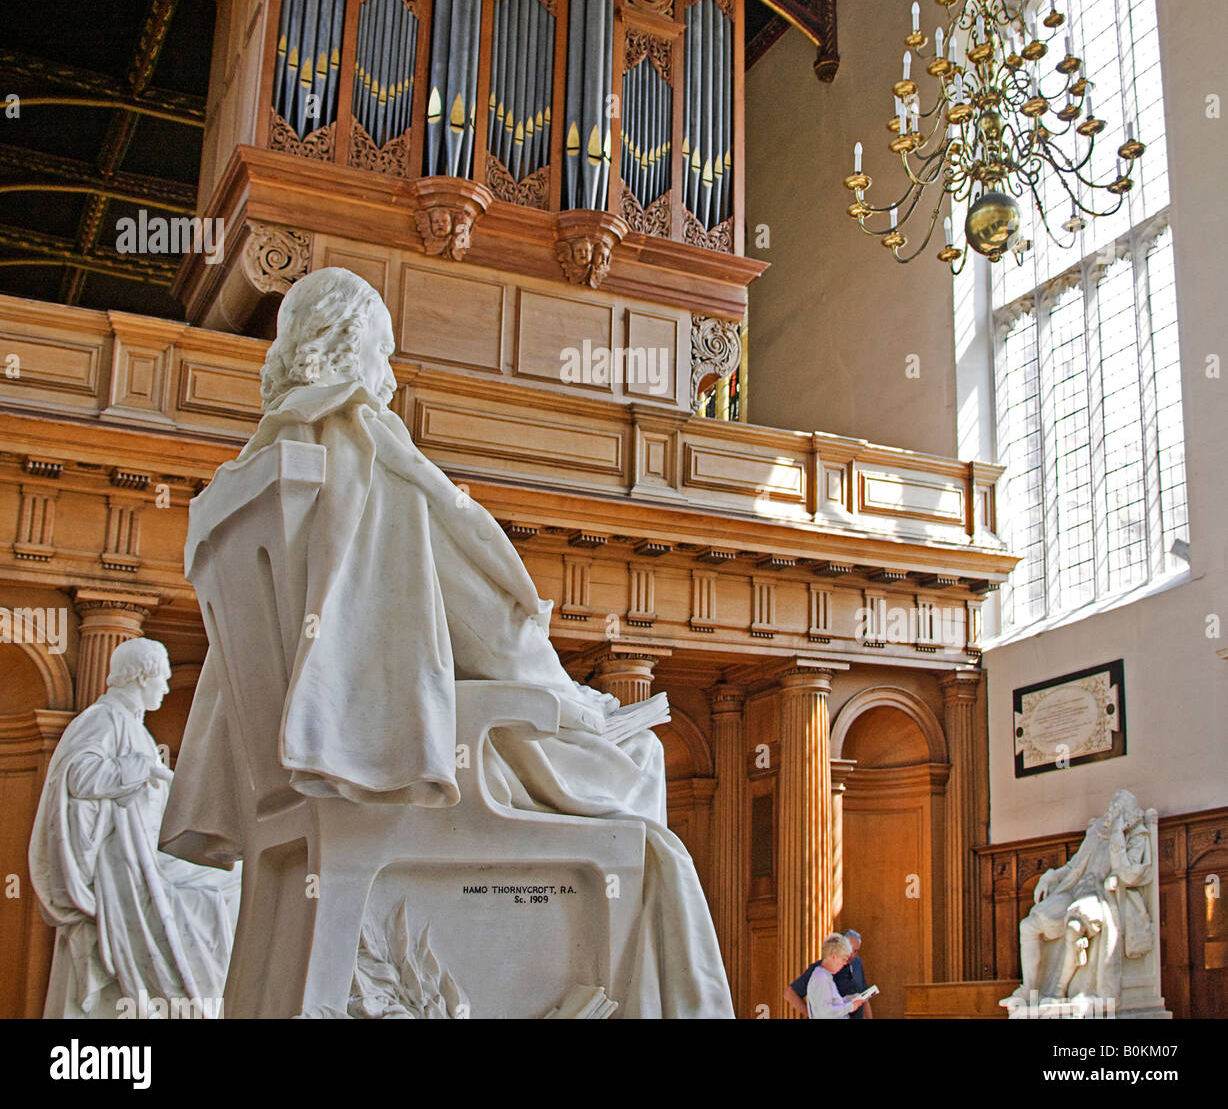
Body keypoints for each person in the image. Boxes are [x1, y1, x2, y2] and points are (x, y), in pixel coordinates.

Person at [161, 267, 735, 1018]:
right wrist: (568, 701)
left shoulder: (252, 479)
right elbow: (491, 628)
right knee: (642, 761)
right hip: (408, 769)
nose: (391, 381)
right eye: (385, 355)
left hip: (298, 781)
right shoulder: (373, 459)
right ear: (351, 345)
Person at [29, 637, 240, 1018]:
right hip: (121, 865)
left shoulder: (130, 724)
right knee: (221, 888)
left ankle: (205, 999)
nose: (164, 689)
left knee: (236, 878)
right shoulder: (105, 717)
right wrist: (146, 769)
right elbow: (80, 776)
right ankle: (186, 1000)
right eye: (161, 680)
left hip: (142, 855)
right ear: (142, 676)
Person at [1013, 789, 1153, 1003]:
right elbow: (1074, 866)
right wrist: (1050, 876)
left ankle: (1058, 992)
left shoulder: (1136, 835)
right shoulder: (1096, 831)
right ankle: (1029, 992)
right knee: (1028, 926)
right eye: (1111, 805)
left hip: (1101, 895)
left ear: (1126, 814)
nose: (1111, 810)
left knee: (1074, 927)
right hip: (1075, 890)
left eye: (1118, 808)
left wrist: (1118, 837)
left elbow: (1129, 873)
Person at [785, 928, 873, 1019]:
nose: (847, 961)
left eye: (855, 951)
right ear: (834, 956)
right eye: (844, 959)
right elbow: (824, 1013)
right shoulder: (820, 976)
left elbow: (835, 1003)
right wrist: (850, 1006)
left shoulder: (829, 975)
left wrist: (851, 999)